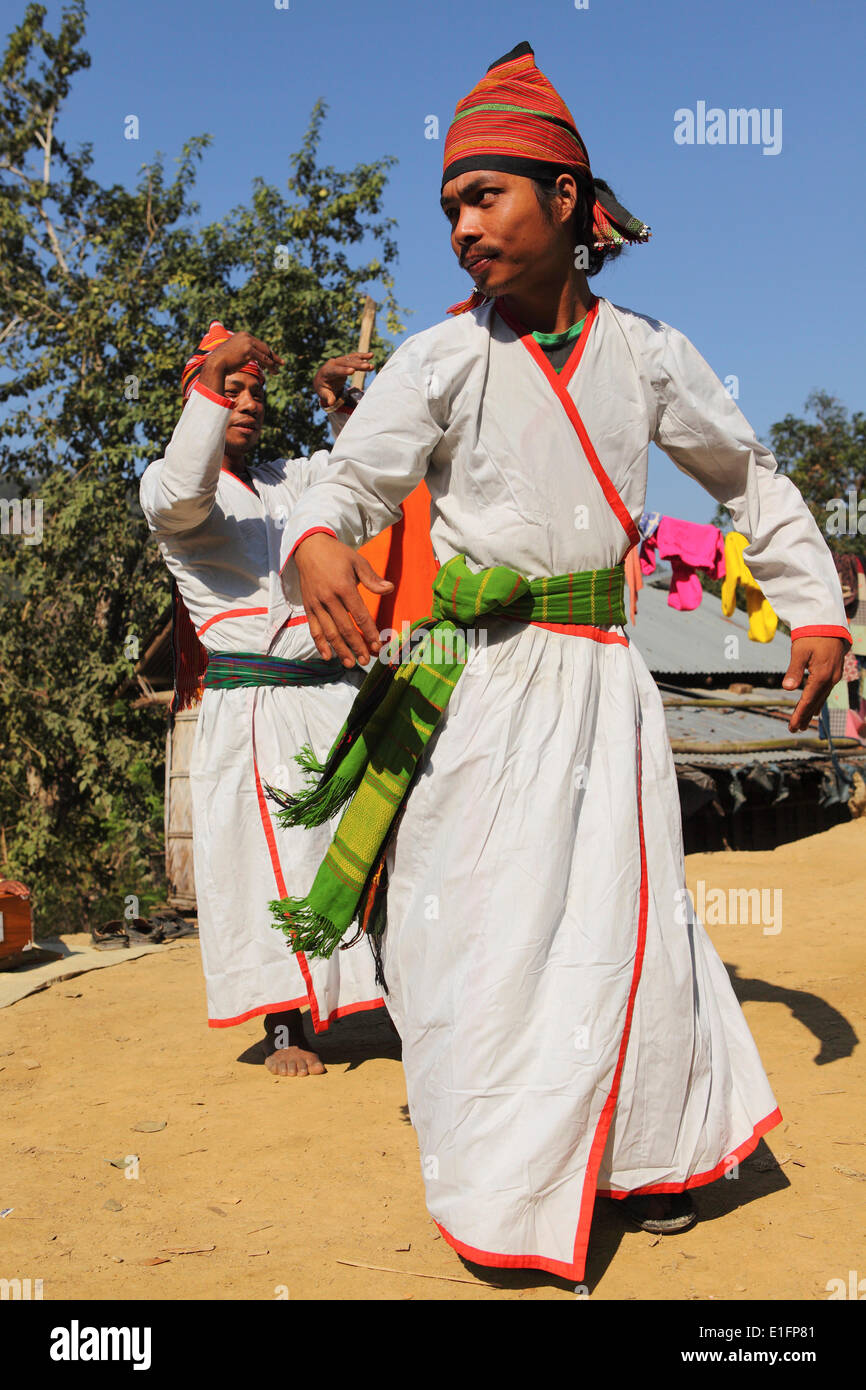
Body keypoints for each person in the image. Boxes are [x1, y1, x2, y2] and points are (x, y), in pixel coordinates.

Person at [275, 43, 850, 1276]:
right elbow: (345, 478)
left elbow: (740, 479)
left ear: (569, 202)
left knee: (614, 927)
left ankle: (637, 1159)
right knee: (468, 929)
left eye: (485, 197)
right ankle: (500, 1174)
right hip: (478, 692)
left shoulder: (648, 354)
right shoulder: (434, 359)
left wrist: (810, 607)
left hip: (598, 680)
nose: (463, 228)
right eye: (448, 209)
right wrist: (318, 538)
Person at [140, 322, 391, 1077]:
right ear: (200, 401)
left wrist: (344, 407)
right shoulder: (168, 485)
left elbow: (366, 494)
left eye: (254, 391)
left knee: (369, 848)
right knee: (271, 864)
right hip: (253, 710)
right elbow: (186, 493)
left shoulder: (292, 480)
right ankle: (287, 1025)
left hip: (333, 694)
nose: (246, 402)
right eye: (229, 390)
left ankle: (402, 995)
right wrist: (213, 371)